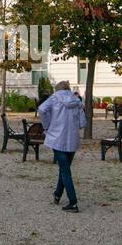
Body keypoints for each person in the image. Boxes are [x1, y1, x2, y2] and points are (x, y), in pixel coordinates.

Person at [37, 80, 86, 212]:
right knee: (64, 168)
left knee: (65, 170)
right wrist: (79, 125)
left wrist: (47, 125)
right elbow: (82, 121)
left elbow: (41, 109)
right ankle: (57, 194)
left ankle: (73, 202)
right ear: (68, 89)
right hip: (72, 139)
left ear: (57, 89)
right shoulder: (76, 100)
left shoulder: (54, 98)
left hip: (57, 138)